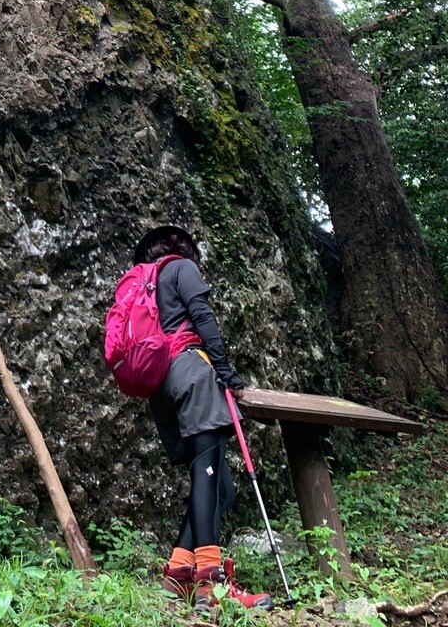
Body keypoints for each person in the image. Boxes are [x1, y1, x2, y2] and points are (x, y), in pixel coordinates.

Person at [134, 224, 273, 611]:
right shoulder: (180, 268)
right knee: (207, 471)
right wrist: (229, 376)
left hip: (159, 386)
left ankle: (178, 574)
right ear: (180, 248)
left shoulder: (144, 286)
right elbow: (203, 317)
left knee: (220, 488)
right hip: (191, 371)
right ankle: (212, 585)